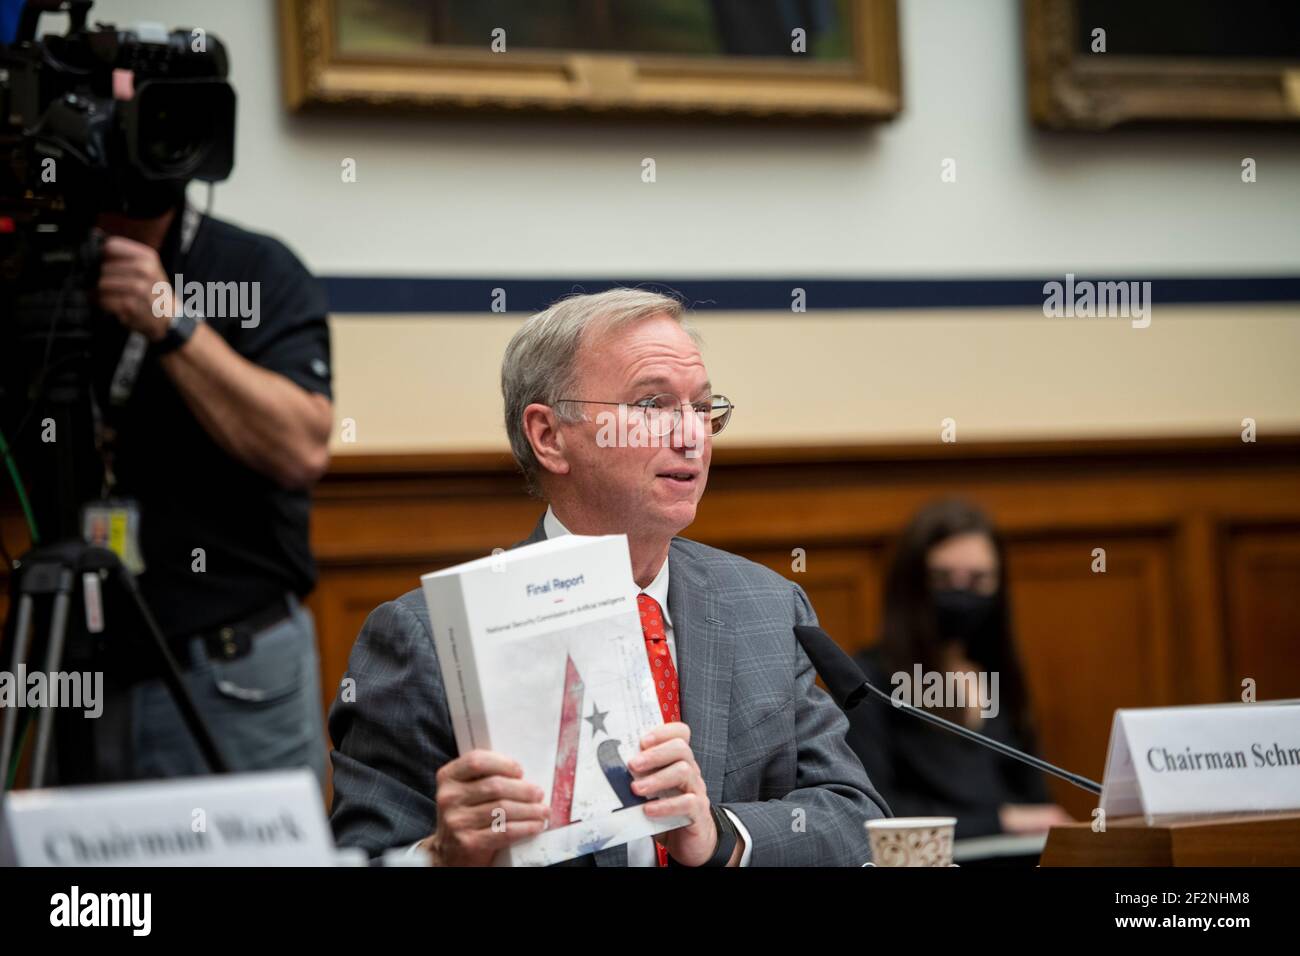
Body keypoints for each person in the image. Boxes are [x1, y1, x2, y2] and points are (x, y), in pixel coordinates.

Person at [329, 288, 889, 866]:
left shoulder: (766, 606)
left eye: (702, 408)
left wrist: (721, 833)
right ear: (549, 437)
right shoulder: (427, 638)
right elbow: (363, 856)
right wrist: (440, 855)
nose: (692, 435)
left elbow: (856, 818)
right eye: (652, 406)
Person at [85, 174, 333, 786]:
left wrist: (171, 323)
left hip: (230, 668)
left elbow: (302, 447)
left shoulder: (252, 268)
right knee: (95, 881)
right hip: (82, 666)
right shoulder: (41, 273)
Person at [845, 498, 1073, 840]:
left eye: (979, 579)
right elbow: (874, 810)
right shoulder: (870, 680)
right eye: (943, 577)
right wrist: (1001, 822)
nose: (961, 593)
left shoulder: (996, 674)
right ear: (912, 584)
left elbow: (1034, 799)